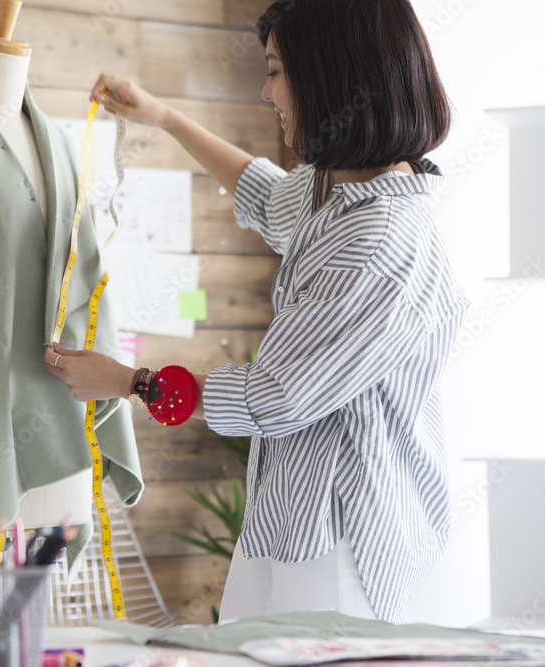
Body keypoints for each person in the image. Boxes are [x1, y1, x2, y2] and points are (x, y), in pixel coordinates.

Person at [45, 0, 468, 625]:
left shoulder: (379, 239)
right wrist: (162, 117)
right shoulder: (341, 190)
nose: (265, 92)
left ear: (331, 77)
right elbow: (264, 191)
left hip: (347, 538)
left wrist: (126, 381)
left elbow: (273, 399)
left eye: (275, 71)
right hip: (287, 519)